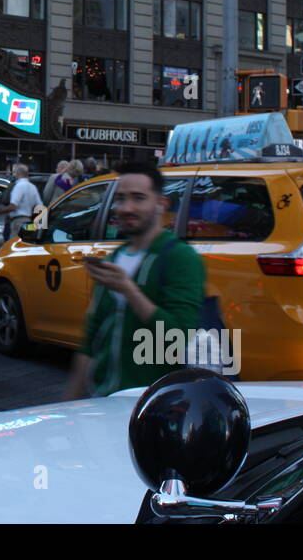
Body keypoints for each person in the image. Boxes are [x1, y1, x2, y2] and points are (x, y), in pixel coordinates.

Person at [65, 161, 206, 398]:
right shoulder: (115, 257)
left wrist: (129, 290)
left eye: (138, 198)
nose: (126, 207)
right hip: (102, 402)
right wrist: (70, 402)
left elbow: (179, 338)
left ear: (161, 204)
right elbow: (91, 336)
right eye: (121, 199)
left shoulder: (181, 258)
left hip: (154, 406)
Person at [0, 163, 42, 238]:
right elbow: (39, 206)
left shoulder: (19, 186)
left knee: (14, 245)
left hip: (18, 221)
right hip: (29, 221)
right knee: (25, 245)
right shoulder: (32, 187)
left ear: (17, 174)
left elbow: (13, 206)